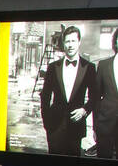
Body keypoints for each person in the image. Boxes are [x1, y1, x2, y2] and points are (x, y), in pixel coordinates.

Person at [39, 26, 95, 156]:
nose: (70, 45)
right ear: (63, 43)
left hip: (76, 126)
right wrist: (46, 120)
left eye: (73, 41)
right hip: (54, 126)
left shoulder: (89, 67)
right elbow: (45, 96)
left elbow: (95, 96)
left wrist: (84, 110)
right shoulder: (53, 67)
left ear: (79, 42)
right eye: (67, 41)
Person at [94, 27, 118, 159]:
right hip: (105, 125)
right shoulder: (103, 65)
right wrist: (95, 127)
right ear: (115, 42)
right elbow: (96, 97)